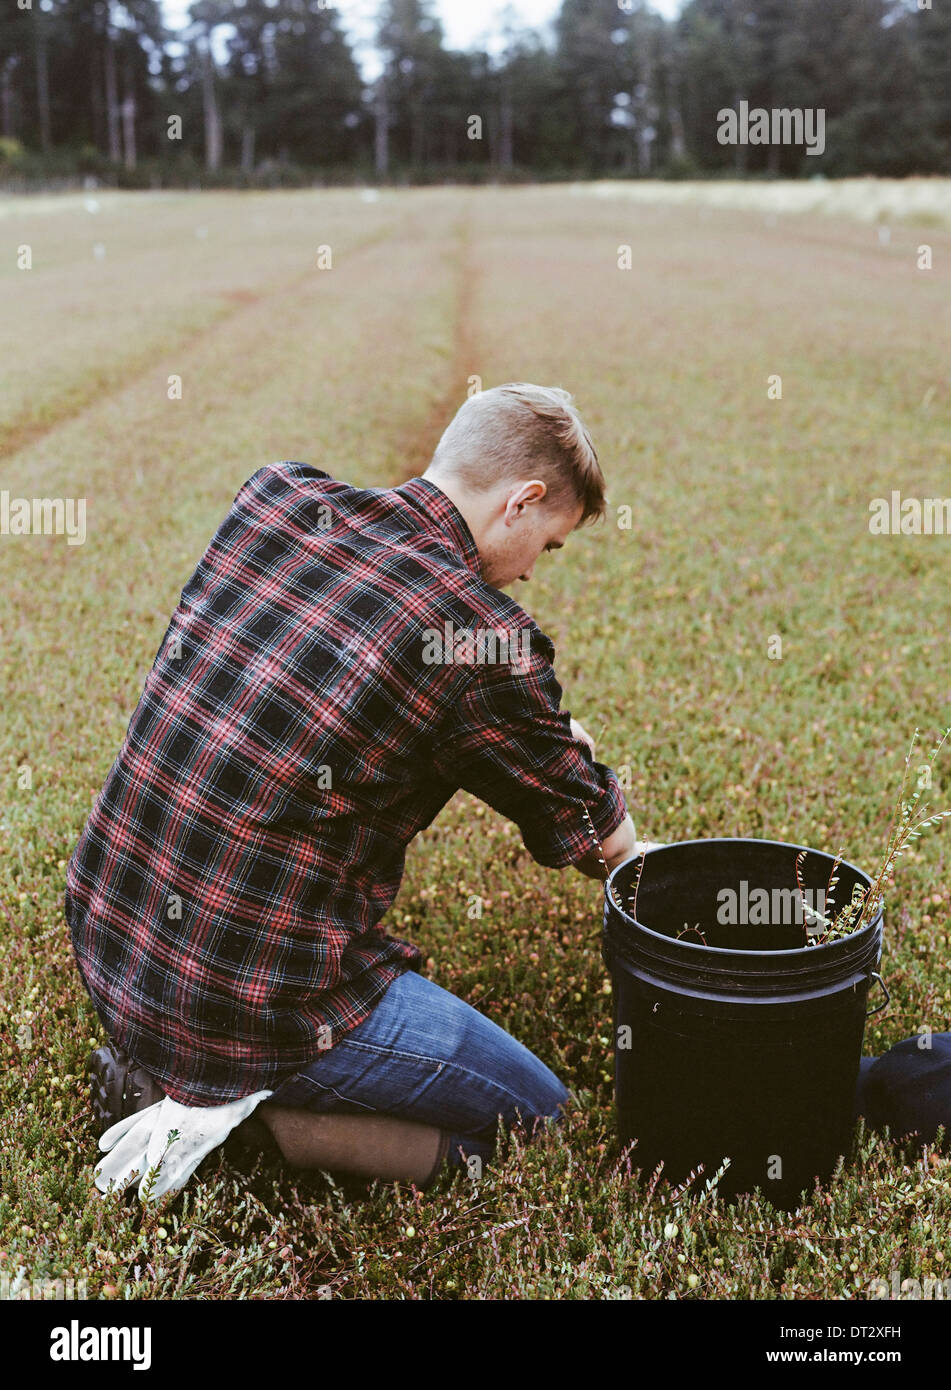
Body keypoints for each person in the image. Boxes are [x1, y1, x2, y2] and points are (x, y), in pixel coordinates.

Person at [67, 382, 640, 1196]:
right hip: (244, 1003)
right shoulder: (479, 635)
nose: (531, 575)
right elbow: (598, 841)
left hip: (109, 933)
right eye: (547, 547)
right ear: (523, 501)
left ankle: (169, 1065)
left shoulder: (278, 498)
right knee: (537, 1123)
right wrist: (578, 773)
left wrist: (532, 739)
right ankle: (237, 1134)